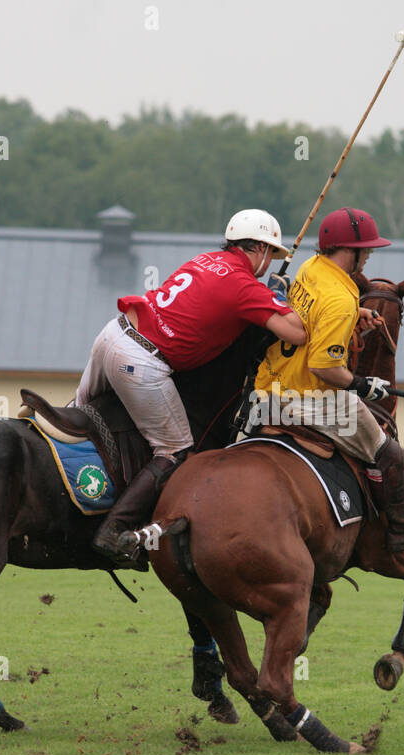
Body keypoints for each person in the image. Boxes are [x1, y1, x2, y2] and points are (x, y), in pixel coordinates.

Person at [77, 209, 307, 567]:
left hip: (113, 335)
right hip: (141, 361)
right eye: (270, 254)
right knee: (176, 449)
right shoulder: (245, 286)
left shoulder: (205, 259)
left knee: (77, 421)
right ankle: (114, 530)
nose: (269, 262)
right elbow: (297, 332)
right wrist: (277, 298)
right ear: (260, 250)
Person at [253, 206, 404, 551]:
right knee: (389, 454)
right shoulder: (340, 298)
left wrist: (357, 311)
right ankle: (403, 527)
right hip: (310, 400)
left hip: (264, 390)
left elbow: (310, 310)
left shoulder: (312, 268)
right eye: (367, 248)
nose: (369, 255)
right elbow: (324, 368)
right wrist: (363, 385)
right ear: (348, 250)